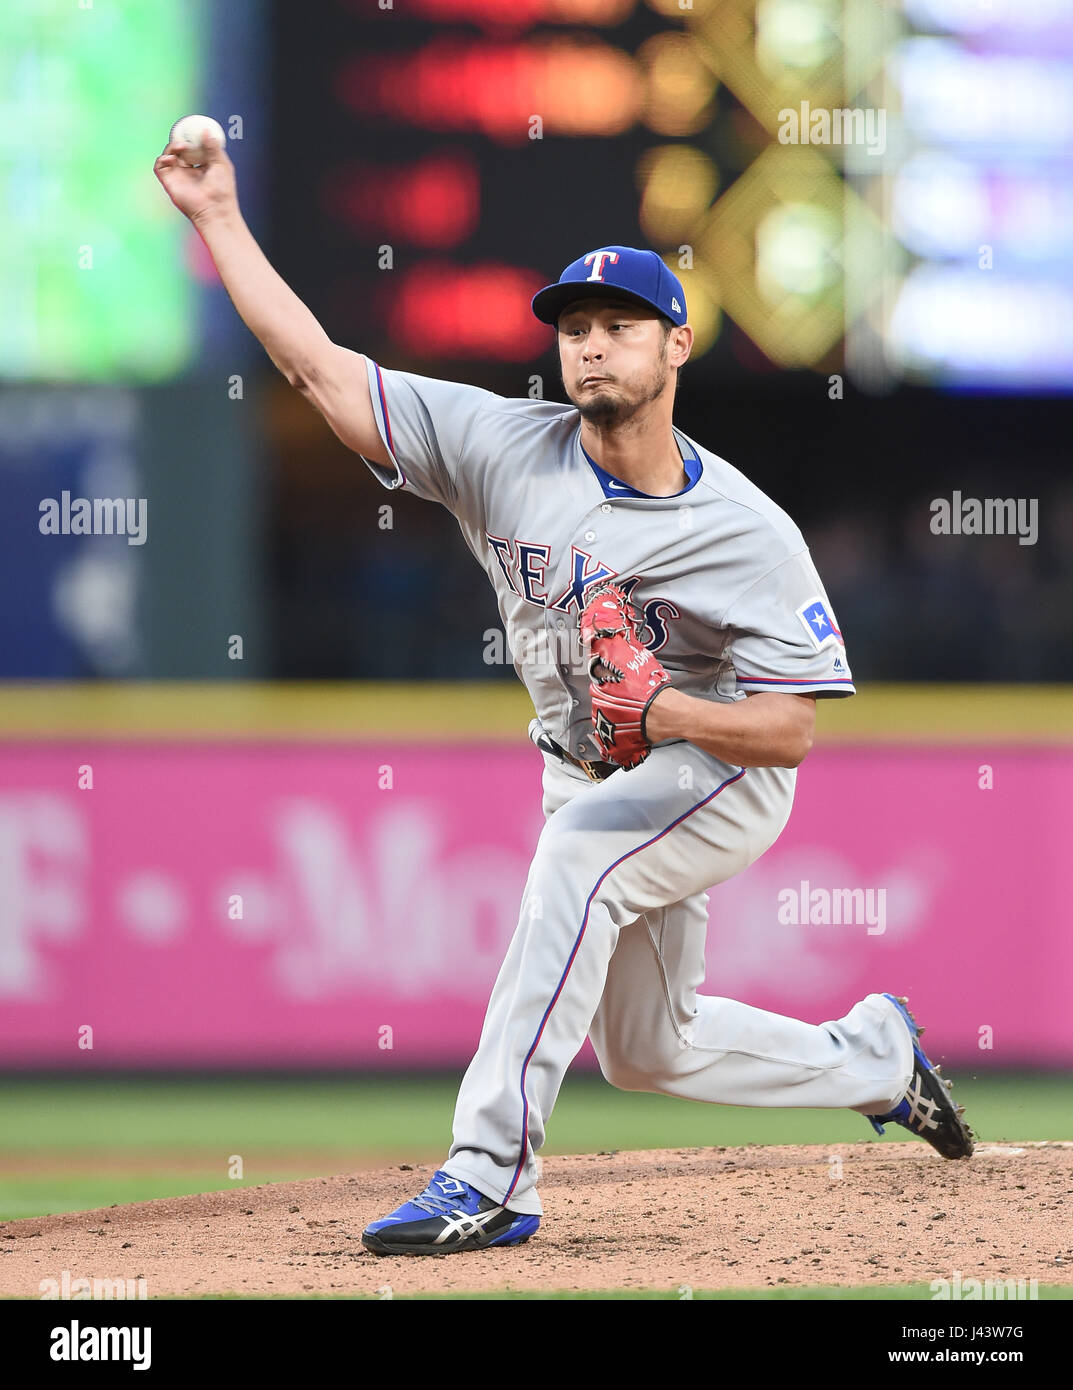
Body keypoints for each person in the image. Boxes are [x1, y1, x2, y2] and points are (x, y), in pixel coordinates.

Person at [154, 129, 974, 1259]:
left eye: (617, 327)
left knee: (577, 857)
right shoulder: (503, 446)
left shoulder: (743, 529)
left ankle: (486, 1174)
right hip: (586, 766)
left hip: (718, 768)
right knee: (650, 1050)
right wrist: (218, 221)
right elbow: (320, 370)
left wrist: (669, 716)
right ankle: (875, 1057)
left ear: (675, 344)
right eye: (573, 330)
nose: (589, 347)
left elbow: (787, 731)